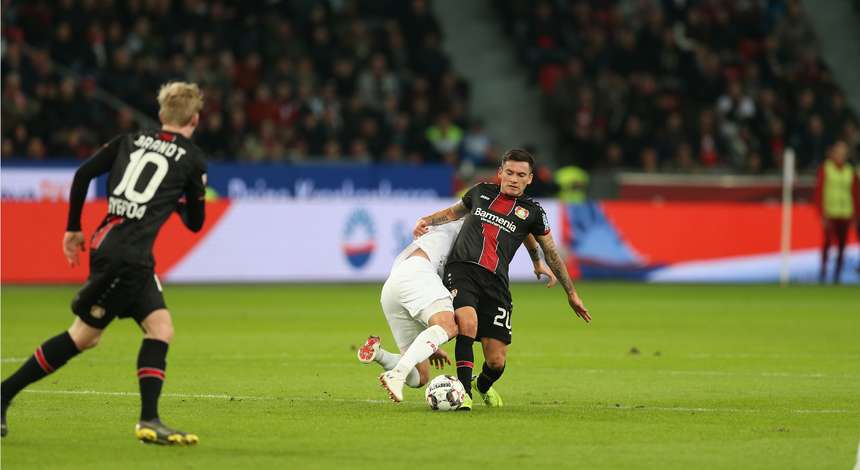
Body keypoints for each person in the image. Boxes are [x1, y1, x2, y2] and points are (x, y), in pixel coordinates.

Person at [1, 82, 208, 445]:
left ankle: (150, 419)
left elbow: (82, 174)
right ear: (195, 119)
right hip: (126, 259)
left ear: (161, 116)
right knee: (83, 336)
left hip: (114, 247)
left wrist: (71, 229)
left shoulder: (128, 141)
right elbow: (195, 224)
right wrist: (177, 201)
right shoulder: (192, 159)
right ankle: (3, 394)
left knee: (160, 327)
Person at [413, 148, 590, 411]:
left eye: (521, 175)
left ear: (530, 179)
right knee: (467, 323)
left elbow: (549, 249)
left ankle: (481, 385)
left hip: (496, 283)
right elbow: (454, 212)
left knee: (496, 361)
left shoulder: (532, 211)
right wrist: (426, 220)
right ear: (500, 173)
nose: (514, 179)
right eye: (509, 172)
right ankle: (463, 395)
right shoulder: (480, 192)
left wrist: (569, 292)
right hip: (462, 269)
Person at [360, 219, 556, 402]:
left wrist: (432, 342)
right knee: (450, 327)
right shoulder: (472, 225)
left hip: (394, 285)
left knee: (420, 376)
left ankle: (379, 354)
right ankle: (397, 374)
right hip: (418, 273)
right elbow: (519, 223)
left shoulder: (454, 227)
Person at [814, 140, 859, 284]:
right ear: (833, 153)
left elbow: (855, 194)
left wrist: (855, 215)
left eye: (844, 153)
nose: (841, 155)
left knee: (842, 246)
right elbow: (819, 191)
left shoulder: (850, 171)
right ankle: (823, 272)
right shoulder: (826, 168)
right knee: (827, 243)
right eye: (839, 152)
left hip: (845, 213)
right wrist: (821, 212)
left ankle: (837, 276)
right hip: (830, 212)